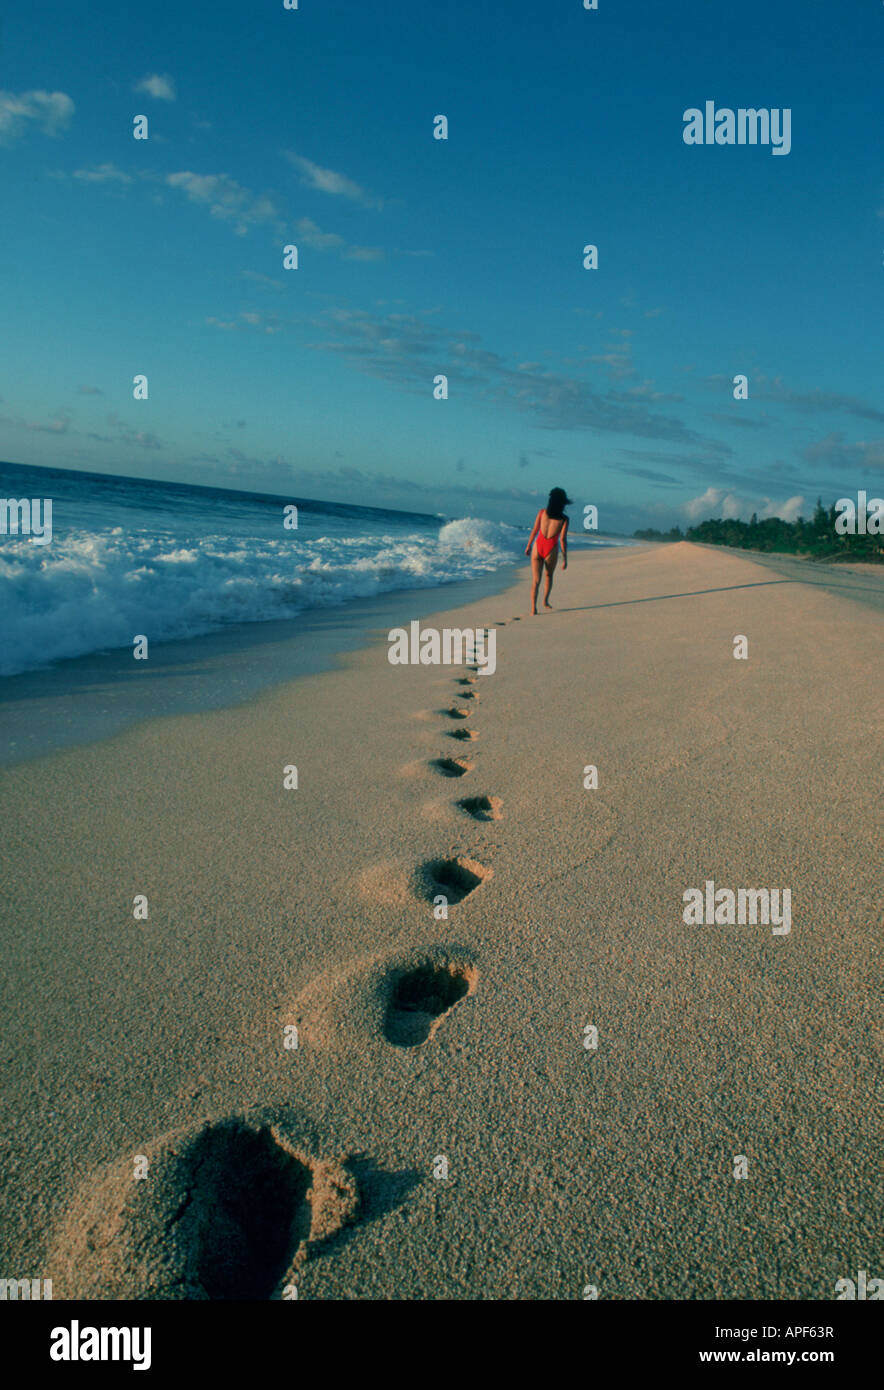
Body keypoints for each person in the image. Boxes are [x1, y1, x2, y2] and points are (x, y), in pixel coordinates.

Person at [525, 488, 571, 614]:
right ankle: (545, 600)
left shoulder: (541, 513)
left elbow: (535, 531)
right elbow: (562, 539)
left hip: (537, 546)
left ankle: (533, 609)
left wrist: (528, 546)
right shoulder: (564, 519)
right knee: (548, 576)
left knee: (536, 580)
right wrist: (565, 559)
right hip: (551, 549)